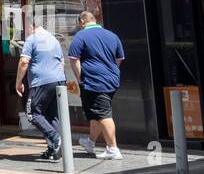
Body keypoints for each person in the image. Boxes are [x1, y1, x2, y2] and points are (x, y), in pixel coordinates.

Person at [68, 11, 125, 160]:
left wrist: (81, 78)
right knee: (97, 113)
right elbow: (119, 59)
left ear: (81, 22)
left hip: (94, 81)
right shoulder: (112, 35)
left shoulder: (80, 36)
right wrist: (111, 73)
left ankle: (113, 148)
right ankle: (90, 142)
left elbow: (74, 60)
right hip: (112, 80)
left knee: (104, 114)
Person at [16, 20, 65, 161]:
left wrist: (18, 82)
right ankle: (54, 150)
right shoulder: (54, 39)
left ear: (30, 26)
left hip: (41, 82)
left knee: (32, 113)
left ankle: (55, 139)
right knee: (52, 115)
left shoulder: (32, 39)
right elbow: (61, 62)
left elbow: (24, 61)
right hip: (59, 80)